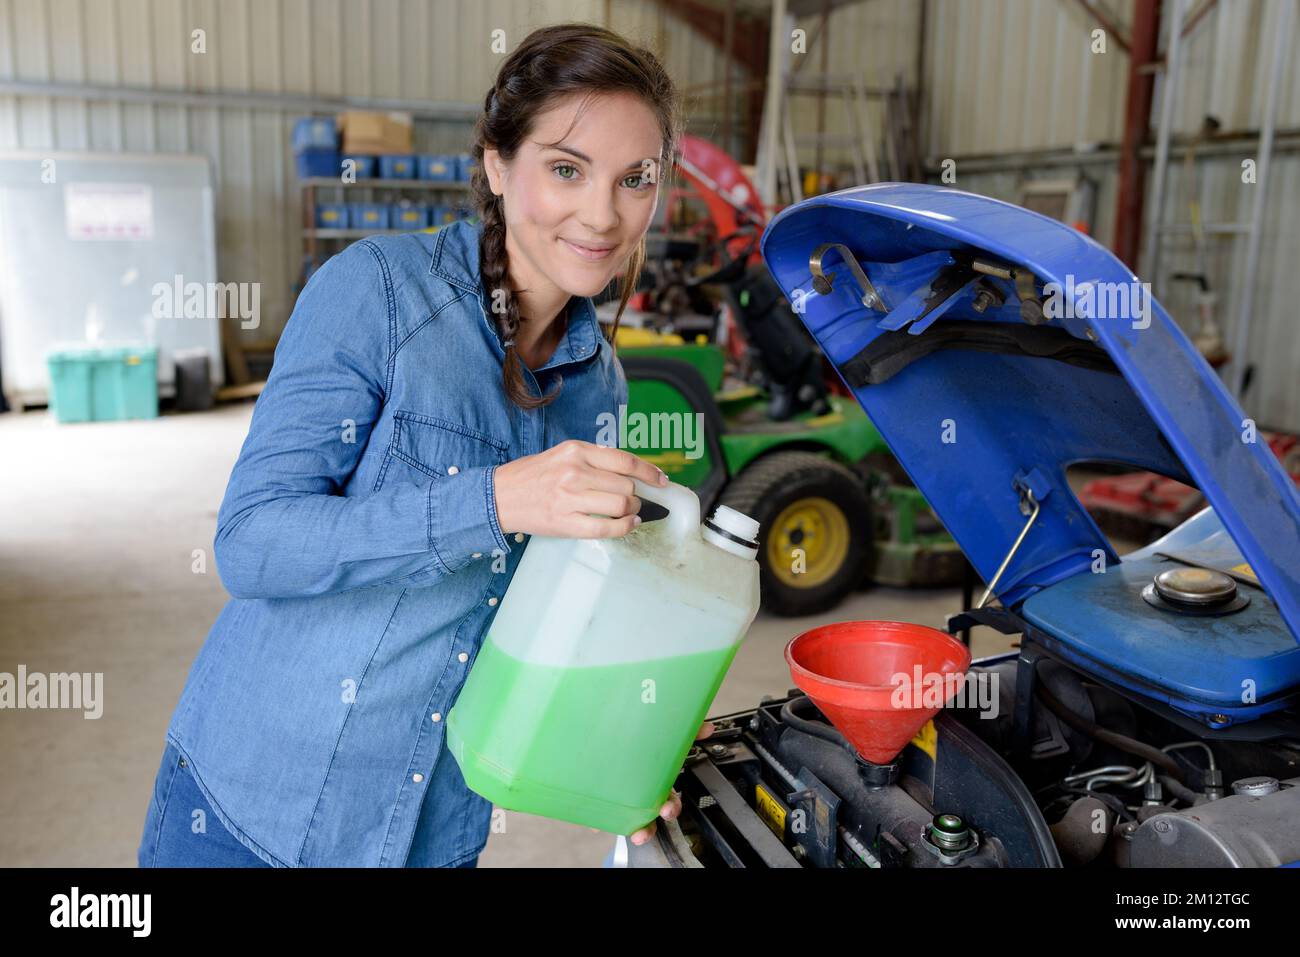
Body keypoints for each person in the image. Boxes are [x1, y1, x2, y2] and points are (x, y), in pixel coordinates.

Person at [138, 22, 708, 868]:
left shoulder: (602, 389)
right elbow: (251, 543)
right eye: (565, 169)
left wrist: (616, 748)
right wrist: (494, 500)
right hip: (255, 811)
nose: (603, 213)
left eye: (637, 179)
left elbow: (541, 616)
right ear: (495, 165)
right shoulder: (377, 293)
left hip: (432, 830)